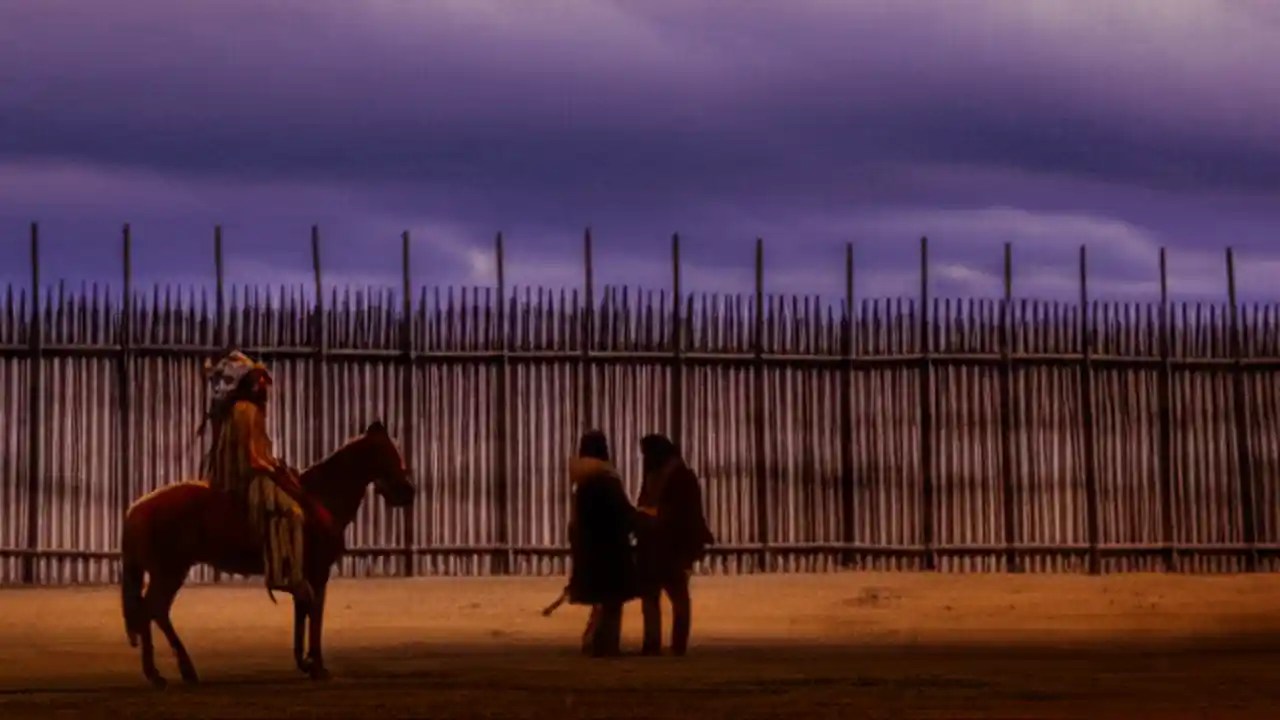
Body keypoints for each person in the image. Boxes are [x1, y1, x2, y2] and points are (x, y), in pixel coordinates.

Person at [199, 350, 317, 603]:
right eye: (258, 379)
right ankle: (286, 575)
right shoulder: (247, 411)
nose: (264, 384)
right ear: (248, 382)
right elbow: (253, 458)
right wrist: (273, 469)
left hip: (255, 473)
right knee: (293, 512)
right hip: (252, 480)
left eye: (264, 379)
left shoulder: (246, 409)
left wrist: (275, 464)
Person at [636, 433, 715, 656]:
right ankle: (655, 643)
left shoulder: (680, 477)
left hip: (671, 544)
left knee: (674, 596)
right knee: (656, 596)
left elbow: (685, 515)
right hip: (654, 543)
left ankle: (671, 644)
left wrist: (651, 515)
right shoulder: (658, 474)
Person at [566, 430, 641, 657]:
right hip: (610, 551)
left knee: (600, 600)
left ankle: (594, 642)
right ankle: (606, 645)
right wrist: (642, 521)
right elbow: (622, 514)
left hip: (590, 550)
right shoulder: (606, 479)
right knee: (612, 601)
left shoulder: (582, 480)